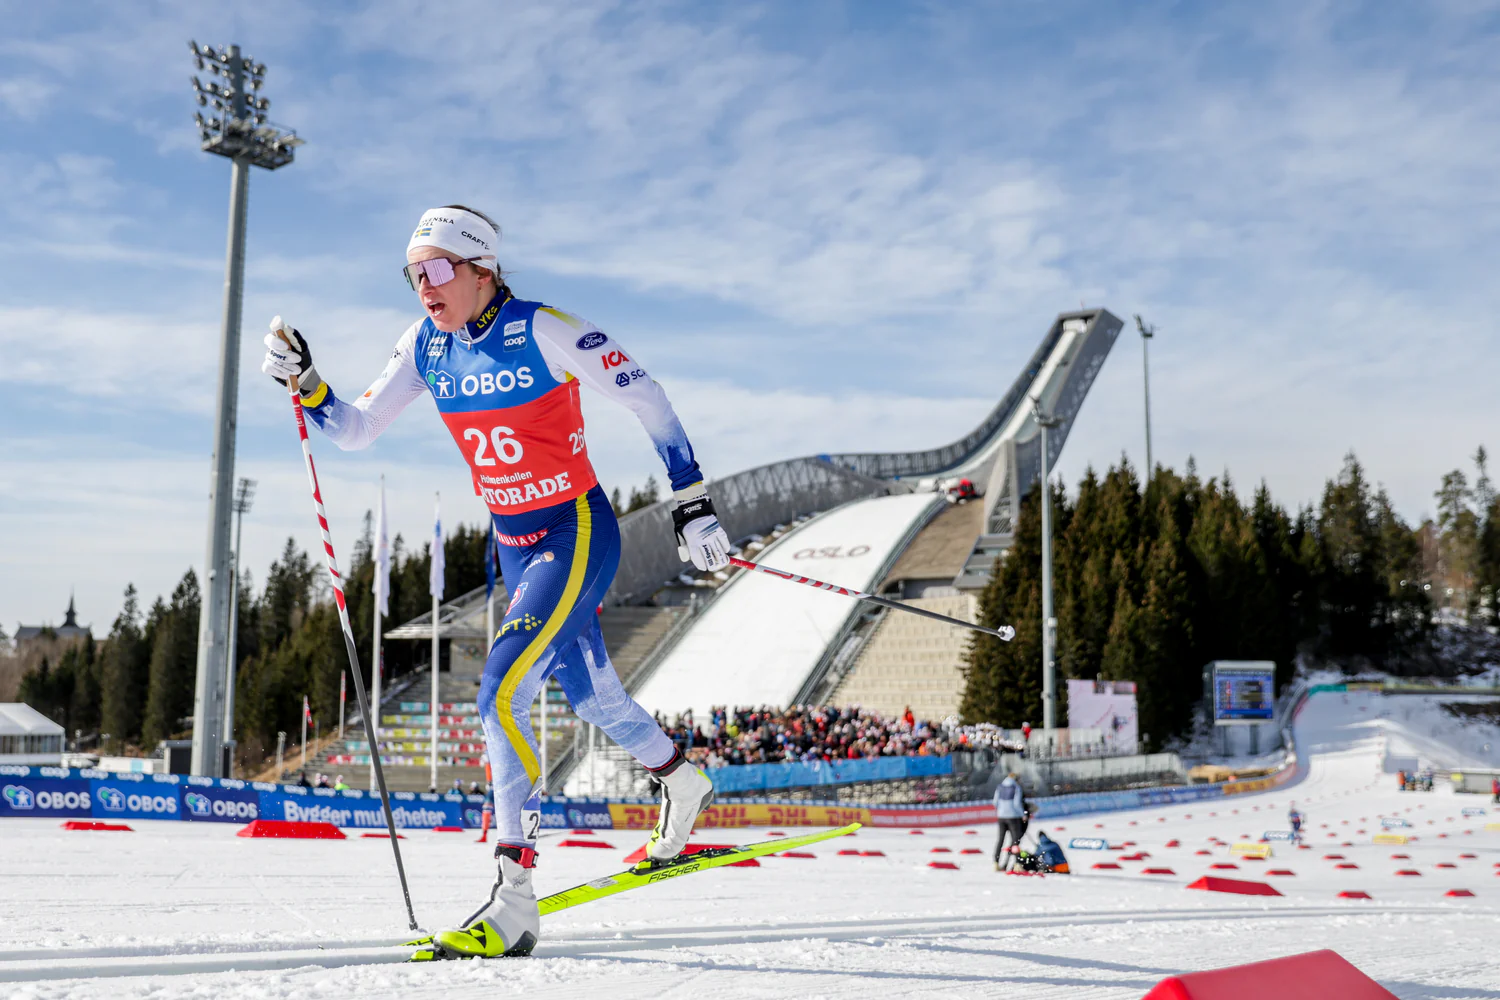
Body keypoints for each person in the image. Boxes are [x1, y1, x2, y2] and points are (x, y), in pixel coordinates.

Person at [262, 204, 728, 960]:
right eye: (414, 272)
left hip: (575, 529)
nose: (425, 286)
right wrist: (308, 382)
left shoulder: (544, 328)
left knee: (500, 689)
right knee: (591, 696)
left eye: (440, 268)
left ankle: (514, 901)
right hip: (512, 542)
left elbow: (645, 394)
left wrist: (692, 500)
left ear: (484, 270)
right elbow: (353, 429)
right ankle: (682, 780)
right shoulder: (424, 344)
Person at [993, 770, 1026, 872]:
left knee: (1000, 840)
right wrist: (1022, 815)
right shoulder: (1016, 787)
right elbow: (1016, 803)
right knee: (1015, 841)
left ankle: (996, 862)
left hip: (1001, 816)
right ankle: (1017, 864)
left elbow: (995, 802)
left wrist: (1002, 810)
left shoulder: (1000, 787)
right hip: (1013, 817)